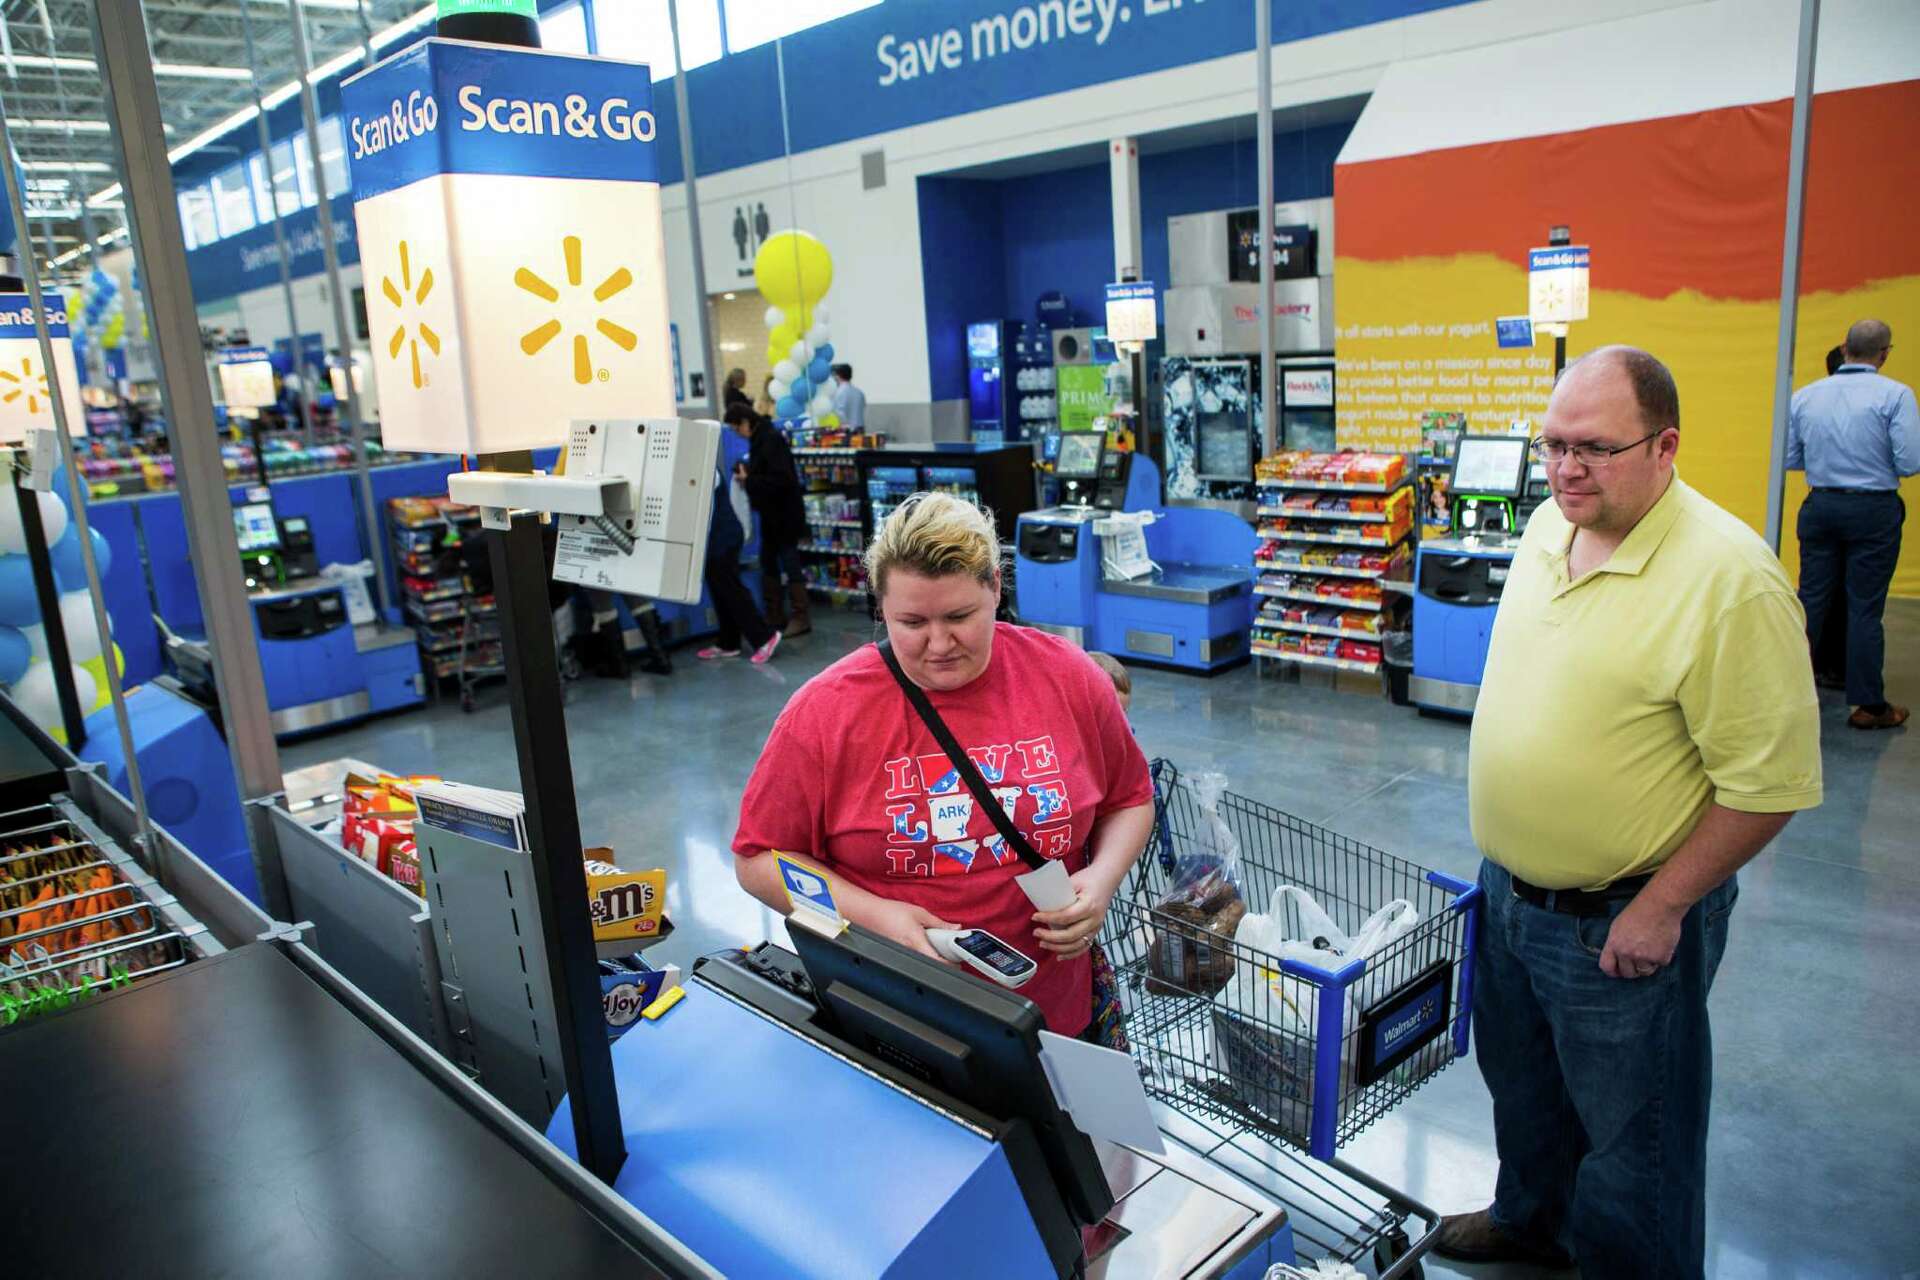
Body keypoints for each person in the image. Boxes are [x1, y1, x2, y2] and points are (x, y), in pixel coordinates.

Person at [1438, 347, 1822, 1279]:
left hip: (1620, 920)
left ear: (1666, 447)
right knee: (1524, 1095)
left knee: (1635, 1144)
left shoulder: (1730, 579)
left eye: (1596, 449)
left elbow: (1768, 786)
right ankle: (1530, 1221)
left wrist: (1663, 908)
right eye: (1554, 444)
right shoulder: (1545, 526)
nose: (1567, 468)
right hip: (1513, 899)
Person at [731, 493, 1154, 1041]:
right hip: (898, 1017)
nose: (939, 644)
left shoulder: (1068, 677)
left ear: (996, 589)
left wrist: (1100, 880)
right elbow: (758, 861)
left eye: (960, 616)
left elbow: (1129, 799)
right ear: (880, 606)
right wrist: (876, 916)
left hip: (1054, 1018)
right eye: (911, 621)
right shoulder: (826, 712)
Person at [1788, 318, 1917, 730]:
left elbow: (1791, 458)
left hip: (1820, 505)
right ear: (1883, 354)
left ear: (1844, 349)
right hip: (1873, 510)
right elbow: (1911, 462)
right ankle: (1868, 706)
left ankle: (1787, 689)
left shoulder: (1805, 396)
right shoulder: (1895, 396)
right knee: (1864, 608)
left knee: (1810, 600)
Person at [725, 401, 811, 638]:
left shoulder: (770, 439)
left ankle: (800, 616)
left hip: (784, 514)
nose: (736, 433)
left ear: (744, 422)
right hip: (772, 515)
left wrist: (749, 479)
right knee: (769, 561)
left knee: (789, 561)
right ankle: (774, 615)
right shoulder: (762, 438)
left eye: (735, 428)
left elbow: (780, 480)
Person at [697, 456, 780, 664]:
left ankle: (765, 637)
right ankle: (728, 642)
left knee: (731, 589)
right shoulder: (695, 467)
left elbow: (705, 512)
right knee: (719, 589)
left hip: (723, 537)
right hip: (713, 539)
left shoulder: (706, 469)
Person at [830, 363, 866, 430]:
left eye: (834, 375)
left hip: (846, 431)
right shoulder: (859, 392)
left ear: (838, 376)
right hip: (860, 428)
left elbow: (838, 412)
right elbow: (863, 407)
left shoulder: (837, 392)